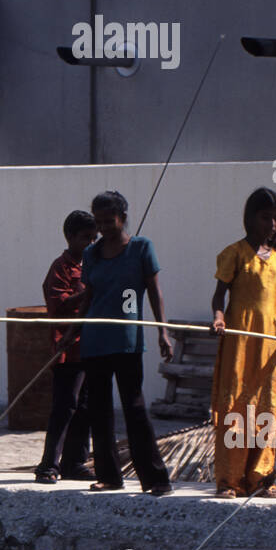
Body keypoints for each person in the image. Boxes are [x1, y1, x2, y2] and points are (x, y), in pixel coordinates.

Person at [78, 190, 173, 495]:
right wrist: (73, 329)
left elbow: (154, 293)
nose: (105, 227)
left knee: (134, 407)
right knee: (99, 409)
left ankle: (156, 479)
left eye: (110, 220)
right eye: (100, 221)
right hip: (95, 339)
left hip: (127, 341)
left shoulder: (142, 248)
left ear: (122, 217)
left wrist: (162, 331)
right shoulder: (91, 254)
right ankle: (109, 476)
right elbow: (89, 296)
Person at [211, 187, 276, 498]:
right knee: (237, 407)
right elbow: (219, 296)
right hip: (240, 340)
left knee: (266, 408)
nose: (271, 223)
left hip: (270, 343)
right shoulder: (235, 253)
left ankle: (261, 478)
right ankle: (229, 481)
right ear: (250, 218)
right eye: (265, 217)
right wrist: (219, 318)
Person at [34, 209, 96, 484]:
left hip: (92, 346)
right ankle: (49, 465)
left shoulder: (94, 265)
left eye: (94, 239)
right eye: (85, 238)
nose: (90, 244)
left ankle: (75, 461)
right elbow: (57, 304)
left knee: (85, 407)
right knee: (65, 406)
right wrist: (88, 294)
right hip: (69, 348)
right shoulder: (61, 266)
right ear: (70, 237)